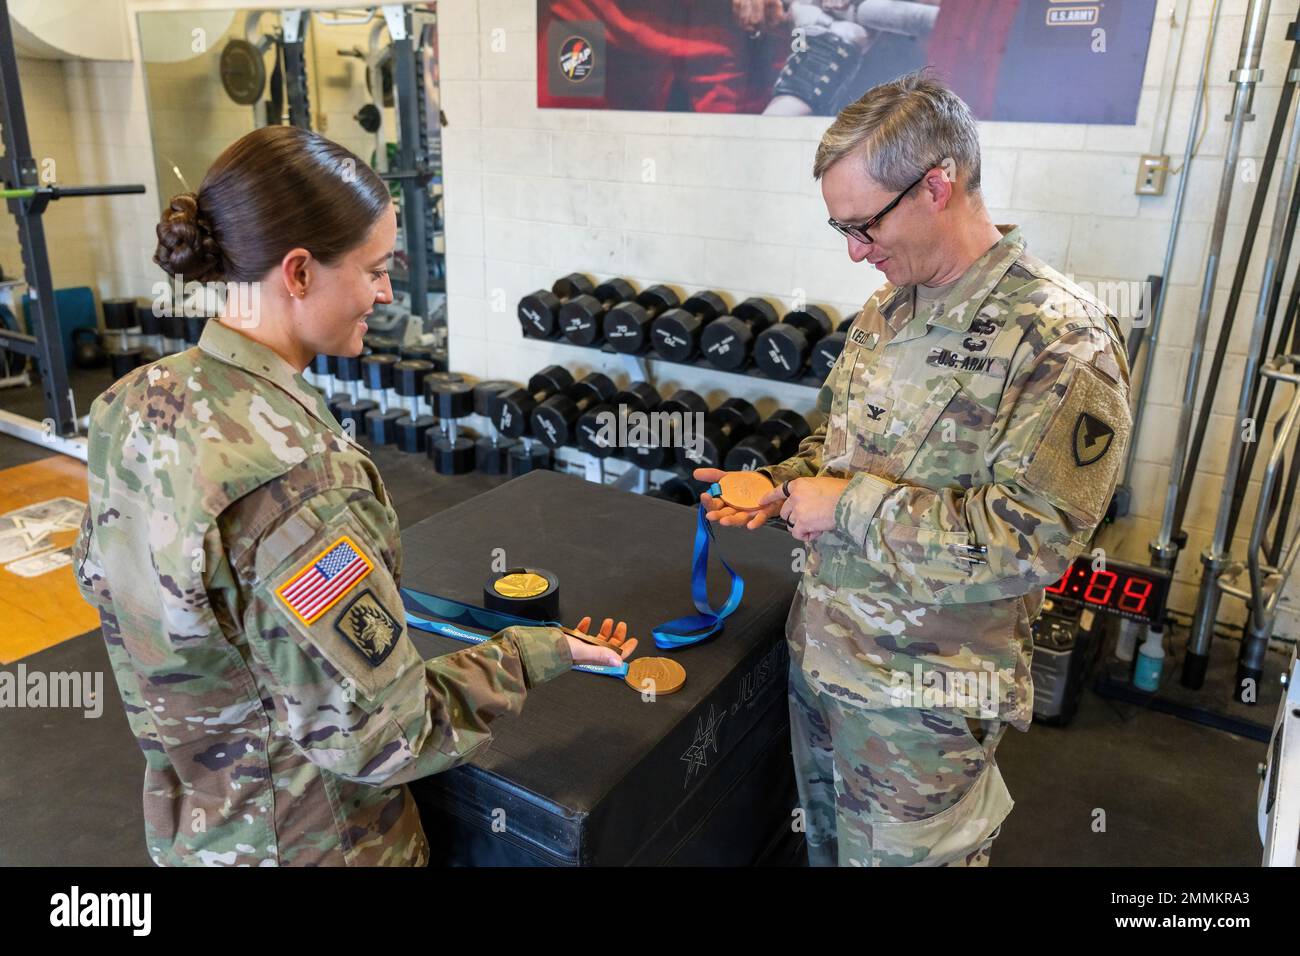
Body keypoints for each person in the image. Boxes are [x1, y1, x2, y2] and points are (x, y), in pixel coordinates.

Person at [72, 125, 635, 867]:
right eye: (372, 269)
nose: (386, 292)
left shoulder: (133, 403)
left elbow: (122, 594)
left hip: (196, 836)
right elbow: (384, 736)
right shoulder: (294, 481)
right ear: (298, 271)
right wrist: (533, 653)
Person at [696, 71, 1132, 866]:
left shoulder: (1063, 340)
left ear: (939, 185)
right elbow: (837, 446)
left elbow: (1033, 541)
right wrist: (785, 484)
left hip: (924, 712)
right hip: (826, 666)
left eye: (863, 225)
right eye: (841, 229)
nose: (857, 252)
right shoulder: (888, 310)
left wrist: (846, 506)